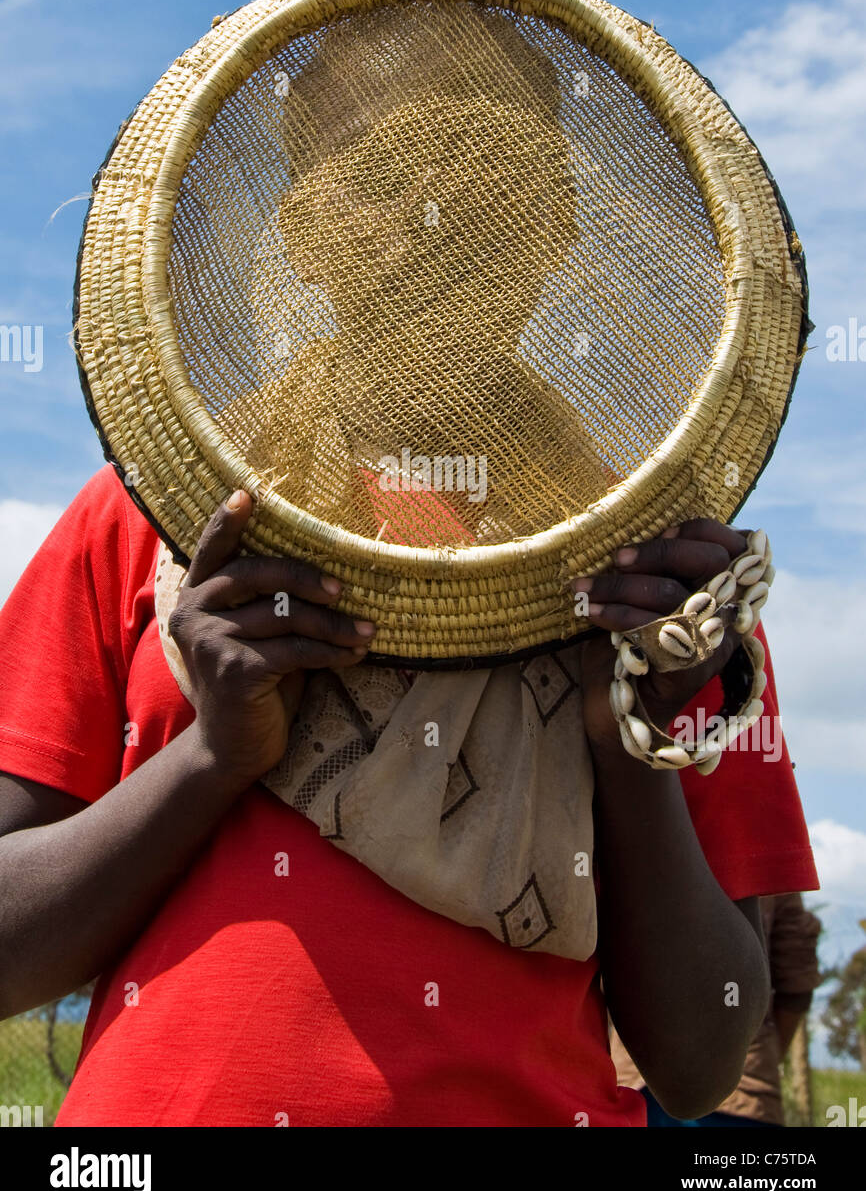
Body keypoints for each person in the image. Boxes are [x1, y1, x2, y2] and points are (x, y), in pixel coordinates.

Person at [0, 468, 818, 1127]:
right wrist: (213, 758)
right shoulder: (157, 507)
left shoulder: (665, 592)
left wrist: (625, 737)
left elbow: (702, 1063)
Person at [610, 892, 822, 1127]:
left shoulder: (631, 856)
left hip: (641, 1079)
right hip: (744, 1092)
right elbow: (797, 981)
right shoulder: (773, 864)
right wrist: (754, 1055)